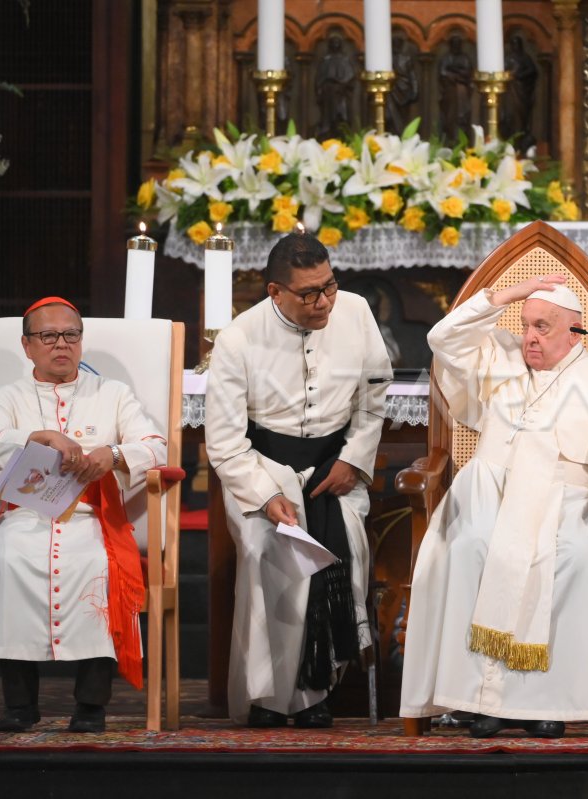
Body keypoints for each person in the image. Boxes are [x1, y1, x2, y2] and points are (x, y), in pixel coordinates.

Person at [399, 275, 588, 738]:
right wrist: (508, 295)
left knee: (574, 558)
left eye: (542, 327)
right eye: (525, 324)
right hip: (490, 492)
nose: (529, 336)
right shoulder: (499, 355)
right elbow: (443, 337)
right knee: (468, 548)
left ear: (575, 332)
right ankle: (478, 701)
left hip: (571, 500)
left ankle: (547, 703)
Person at [205, 233, 392, 727]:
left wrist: (353, 459)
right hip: (263, 469)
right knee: (266, 551)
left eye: (329, 286)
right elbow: (224, 441)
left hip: (335, 468)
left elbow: (374, 396)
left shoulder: (356, 312)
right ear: (275, 292)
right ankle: (268, 696)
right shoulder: (238, 338)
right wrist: (266, 496)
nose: (324, 301)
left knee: (342, 548)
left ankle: (315, 690)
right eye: (309, 293)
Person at [0, 297, 167, 733]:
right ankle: (20, 705)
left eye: (71, 335)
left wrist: (112, 454)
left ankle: (91, 706)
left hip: (90, 519)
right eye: (48, 336)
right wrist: (40, 436)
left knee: (98, 563)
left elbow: (157, 447)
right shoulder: (6, 397)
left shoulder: (113, 393)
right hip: (24, 518)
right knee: (7, 560)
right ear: (27, 345)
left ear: (81, 340)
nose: (61, 344)